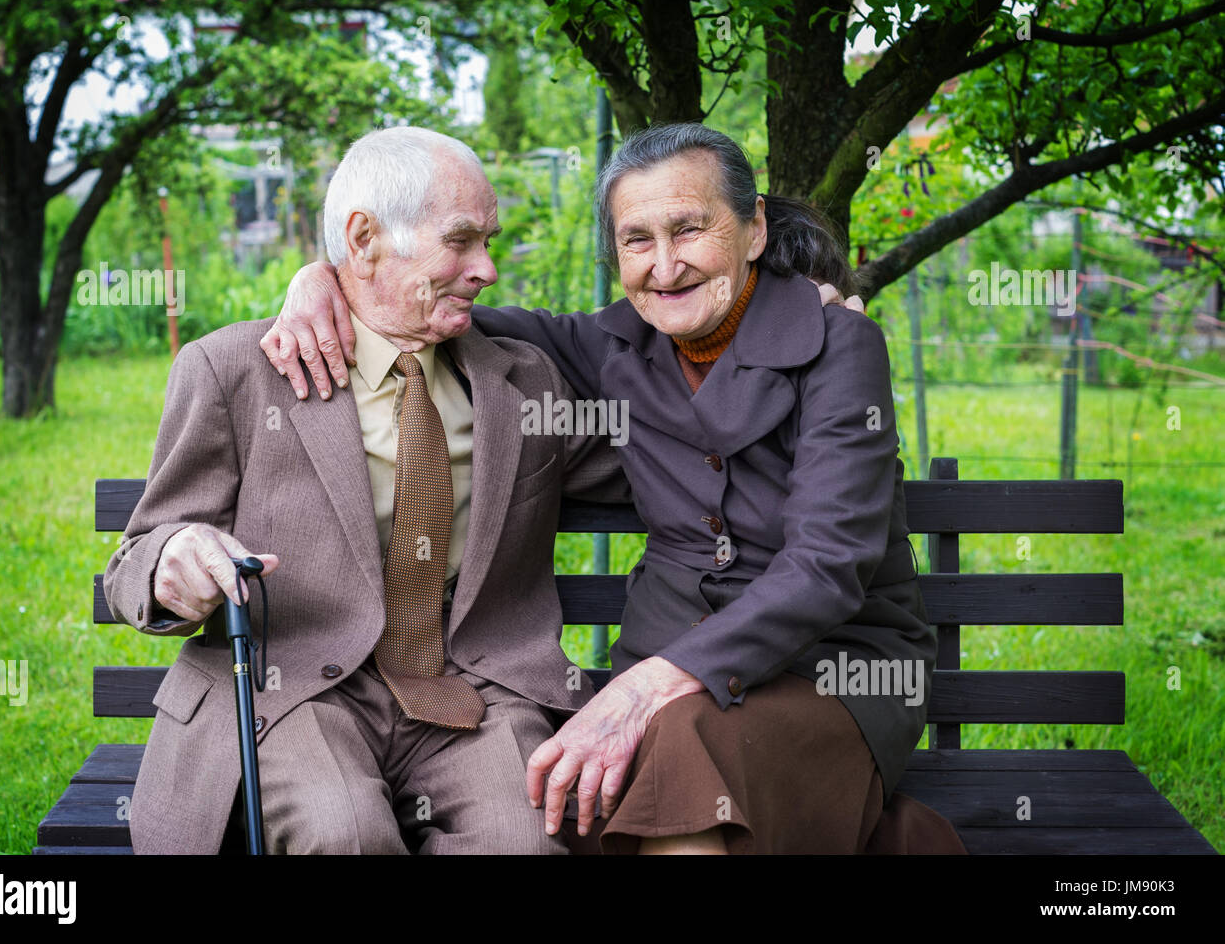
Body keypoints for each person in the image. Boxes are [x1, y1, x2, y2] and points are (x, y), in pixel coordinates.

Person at [261, 122, 966, 855]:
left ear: (753, 228)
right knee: (582, 798)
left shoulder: (838, 344)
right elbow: (423, 304)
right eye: (636, 240)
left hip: (831, 670)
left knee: (676, 752)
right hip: (663, 682)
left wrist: (643, 689)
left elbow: (828, 566)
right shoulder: (612, 345)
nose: (665, 267)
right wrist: (320, 279)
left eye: (689, 229)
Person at [103, 126, 631, 854]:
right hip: (293, 691)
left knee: (527, 843)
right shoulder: (235, 371)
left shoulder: (523, 381)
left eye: (490, 240)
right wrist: (175, 560)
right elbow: (141, 550)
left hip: (469, 689)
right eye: (461, 240)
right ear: (363, 238)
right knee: (341, 831)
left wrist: (788, 328)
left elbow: (660, 446)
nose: (487, 268)